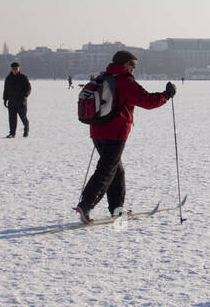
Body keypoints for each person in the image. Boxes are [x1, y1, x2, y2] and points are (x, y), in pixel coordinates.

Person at [75, 50, 175, 223]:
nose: (134, 68)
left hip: (97, 131)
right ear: (124, 64)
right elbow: (147, 101)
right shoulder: (124, 81)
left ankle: (117, 209)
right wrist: (166, 95)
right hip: (115, 133)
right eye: (132, 64)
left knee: (116, 170)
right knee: (107, 170)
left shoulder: (104, 77)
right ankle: (86, 205)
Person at [3, 61, 31, 137]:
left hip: (21, 102)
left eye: (16, 68)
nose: (15, 70)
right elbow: (6, 89)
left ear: (19, 68)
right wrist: (5, 99)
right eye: (13, 69)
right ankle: (12, 133)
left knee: (23, 117)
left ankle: (26, 130)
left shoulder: (23, 77)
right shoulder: (8, 78)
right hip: (11, 101)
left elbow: (28, 88)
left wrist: (25, 95)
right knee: (12, 118)